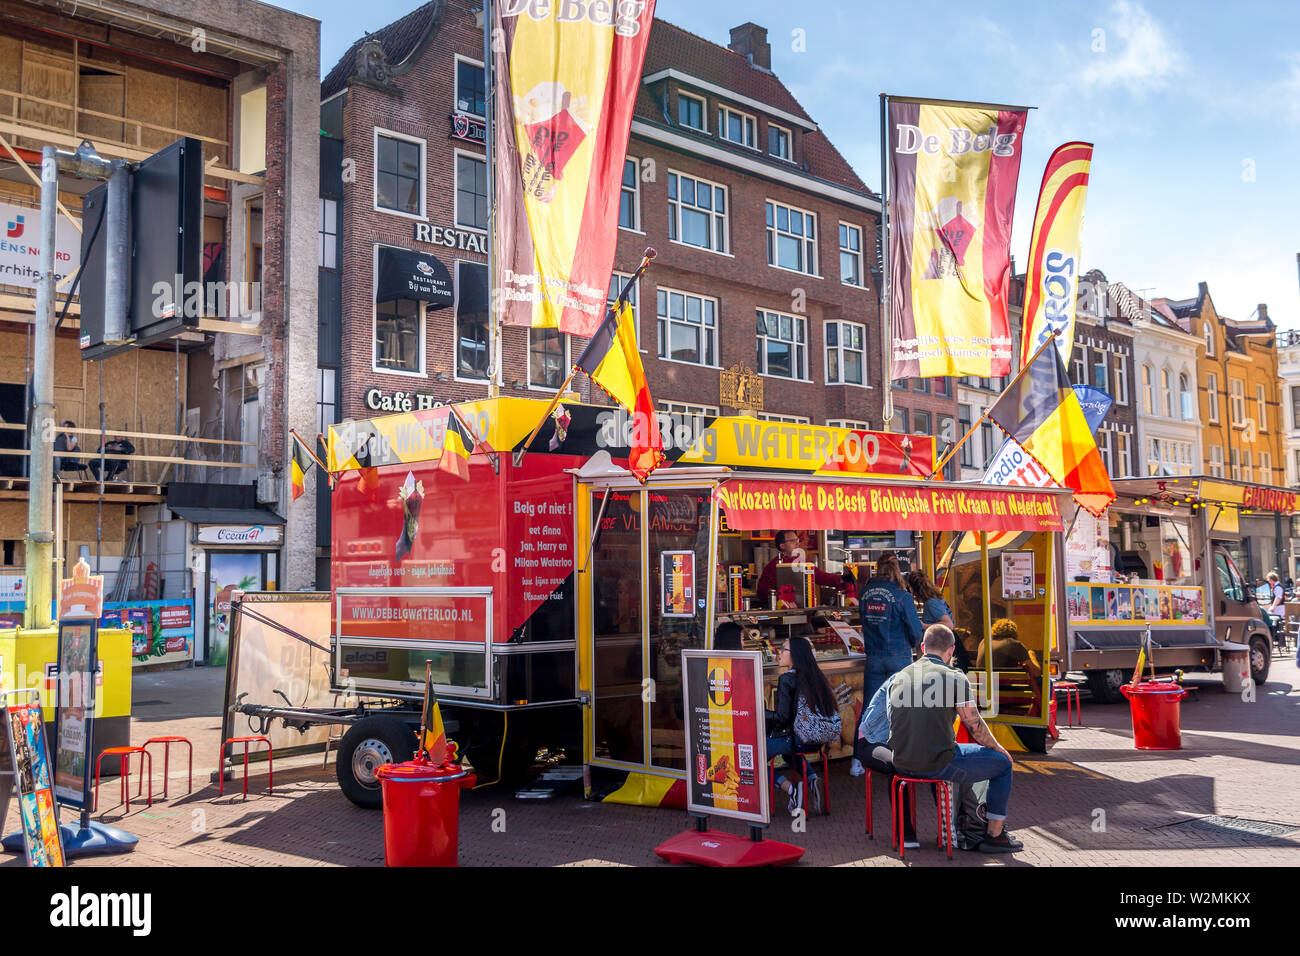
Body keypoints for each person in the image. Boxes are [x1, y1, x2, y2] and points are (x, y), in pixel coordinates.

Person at [889, 623, 1022, 852]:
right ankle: (995, 834)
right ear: (951, 651)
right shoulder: (954, 676)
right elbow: (976, 727)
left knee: (959, 750)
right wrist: (999, 748)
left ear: (922, 647)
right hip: (936, 763)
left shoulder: (900, 675)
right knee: (1003, 765)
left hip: (900, 762)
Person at [851, 552, 922, 777]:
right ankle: (905, 757)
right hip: (899, 657)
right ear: (896, 569)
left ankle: (857, 760)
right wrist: (914, 643)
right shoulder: (901, 595)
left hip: (873, 657)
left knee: (870, 711)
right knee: (903, 710)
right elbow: (915, 631)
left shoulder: (865, 594)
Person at [765, 636, 837, 815]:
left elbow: (783, 717)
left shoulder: (787, 679)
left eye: (783, 649)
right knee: (789, 752)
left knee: (750, 757)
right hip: (816, 740)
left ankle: (791, 789)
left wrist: (759, 711)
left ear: (795, 655)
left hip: (796, 738)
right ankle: (812, 778)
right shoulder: (817, 677)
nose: (779, 653)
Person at [857, 672, 921, 848]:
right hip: (871, 741)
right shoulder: (901, 681)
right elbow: (897, 723)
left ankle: (951, 830)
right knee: (897, 765)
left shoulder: (934, 687)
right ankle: (905, 833)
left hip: (899, 744)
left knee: (943, 760)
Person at [755, 530, 853, 604]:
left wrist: (843, 579)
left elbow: (820, 577)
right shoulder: (773, 566)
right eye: (792, 541)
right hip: (785, 612)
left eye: (797, 540)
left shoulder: (801, 561)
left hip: (805, 611)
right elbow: (762, 592)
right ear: (782, 546)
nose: (797, 543)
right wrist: (780, 597)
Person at [908, 569, 967, 670]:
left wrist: (925, 626)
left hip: (943, 645)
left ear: (914, 588)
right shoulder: (937, 599)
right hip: (948, 643)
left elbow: (949, 624)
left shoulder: (931, 603)